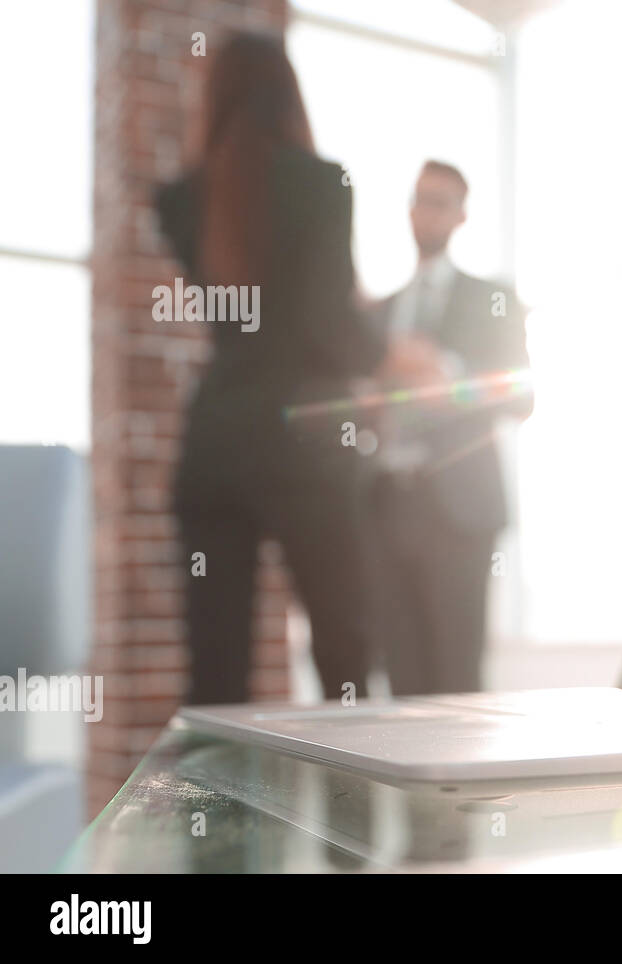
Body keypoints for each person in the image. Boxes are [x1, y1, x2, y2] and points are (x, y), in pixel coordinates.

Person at [155, 32, 384, 705]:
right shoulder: (321, 182)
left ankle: (209, 815)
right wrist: (387, 354)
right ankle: (350, 812)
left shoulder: (180, 199)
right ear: (289, 93)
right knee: (344, 658)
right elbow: (326, 323)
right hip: (304, 442)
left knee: (214, 677)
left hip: (214, 446)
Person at [367, 161, 532, 695]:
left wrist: (447, 372)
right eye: (420, 199)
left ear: (461, 215)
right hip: (389, 506)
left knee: (458, 683)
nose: (428, 210)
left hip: (460, 510)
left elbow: (522, 394)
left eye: (441, 201)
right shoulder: (380, 311)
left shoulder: (492, 298)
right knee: (403, 685)